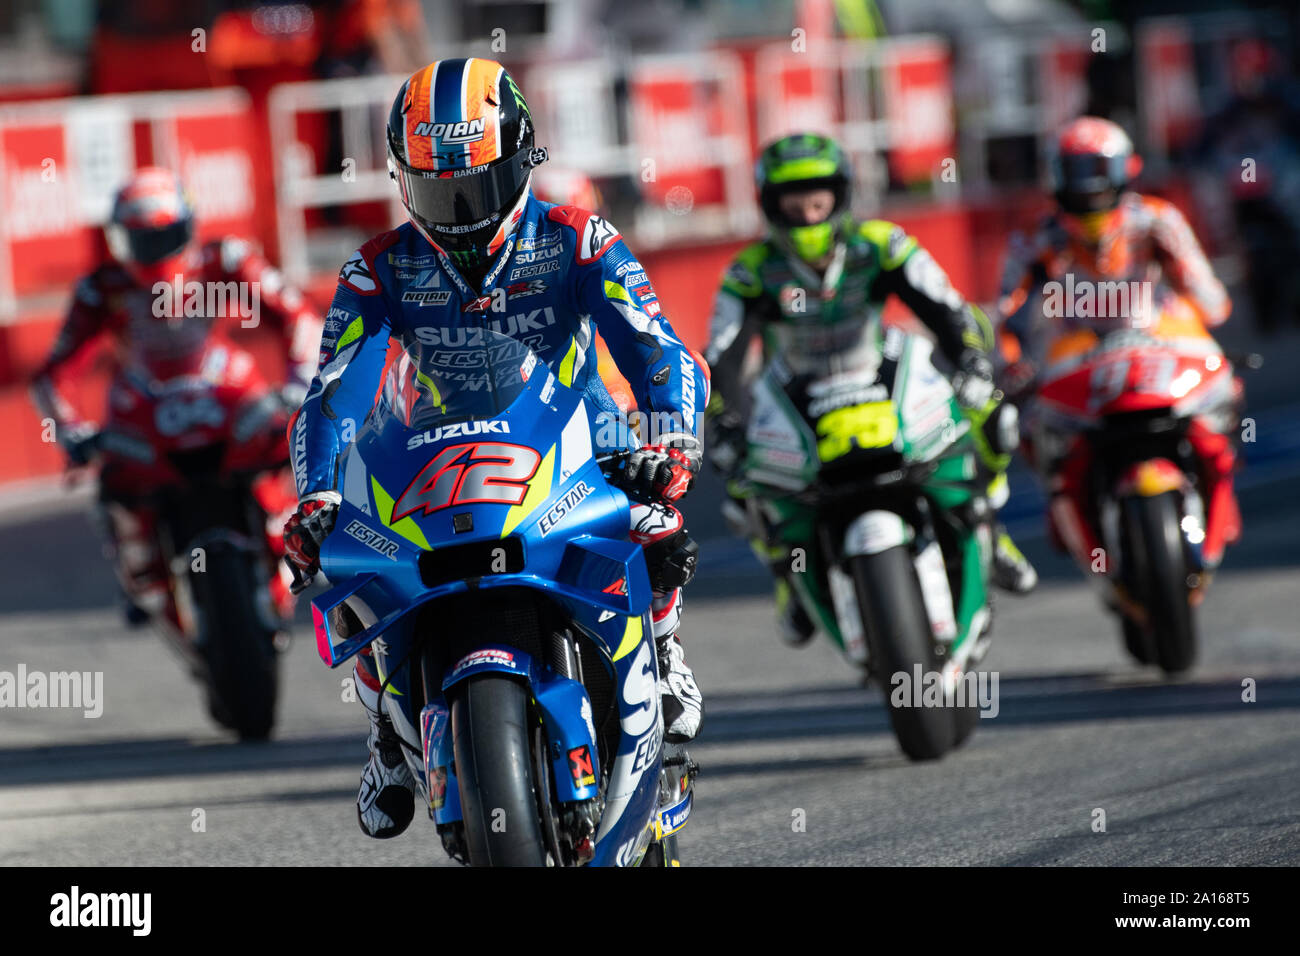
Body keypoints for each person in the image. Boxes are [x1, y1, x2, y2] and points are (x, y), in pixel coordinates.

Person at [281, 57, 708, 839]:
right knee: (341, 564)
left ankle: (667, 648)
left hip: (581, 438)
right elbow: (336, 388)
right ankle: (386, 721)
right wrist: (315, 494)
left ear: (521, 162)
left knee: (662, 525)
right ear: (403, 178)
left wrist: (670, 440)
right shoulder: (377, 269)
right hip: (429, 454)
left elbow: (659, 350)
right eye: (439, 191)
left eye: (476, 187)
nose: (460, 211)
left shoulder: (578, 237)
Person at [704, 132, 1037, 647]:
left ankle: (991, 528)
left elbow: (948, 309)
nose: (810, 214)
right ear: (771, 205)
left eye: (819, 199)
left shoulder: (882, 244)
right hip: (797, 395)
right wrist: (722, 420)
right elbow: (719, 358)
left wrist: (972, 361)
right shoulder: (749, 272)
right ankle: (788, 577)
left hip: (882, 376)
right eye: (795, 203)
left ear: (842, 196)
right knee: (738, 472)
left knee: (991, 410)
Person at [30, 166, 321, 627]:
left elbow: (297, 316)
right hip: (143, 407)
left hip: (226, 390)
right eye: (142, 241)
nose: (154, 253)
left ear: (188, 225)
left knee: (285, 440)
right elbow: (54, 371)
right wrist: (71, 430)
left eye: (164, 236)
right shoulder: (102, 288)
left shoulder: (225, 259)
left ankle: (295, 535)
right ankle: (144, 574)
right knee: (116, 482)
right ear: (120, 240)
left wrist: (300, 383)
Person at [997, 115, 1238, 567]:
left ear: (1124, 170)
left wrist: (1178, 278)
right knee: (1028, 425)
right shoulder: (1036, 240)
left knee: (1225, 388)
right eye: (1075, 172)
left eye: (1096, 170)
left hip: (1158, 349)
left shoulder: (1157, 220)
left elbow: (1213, 304)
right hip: (1076, 361)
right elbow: (1003, 319)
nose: (1087, 186)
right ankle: (1066, 507)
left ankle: (1217, 488)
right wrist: (1011, 366)